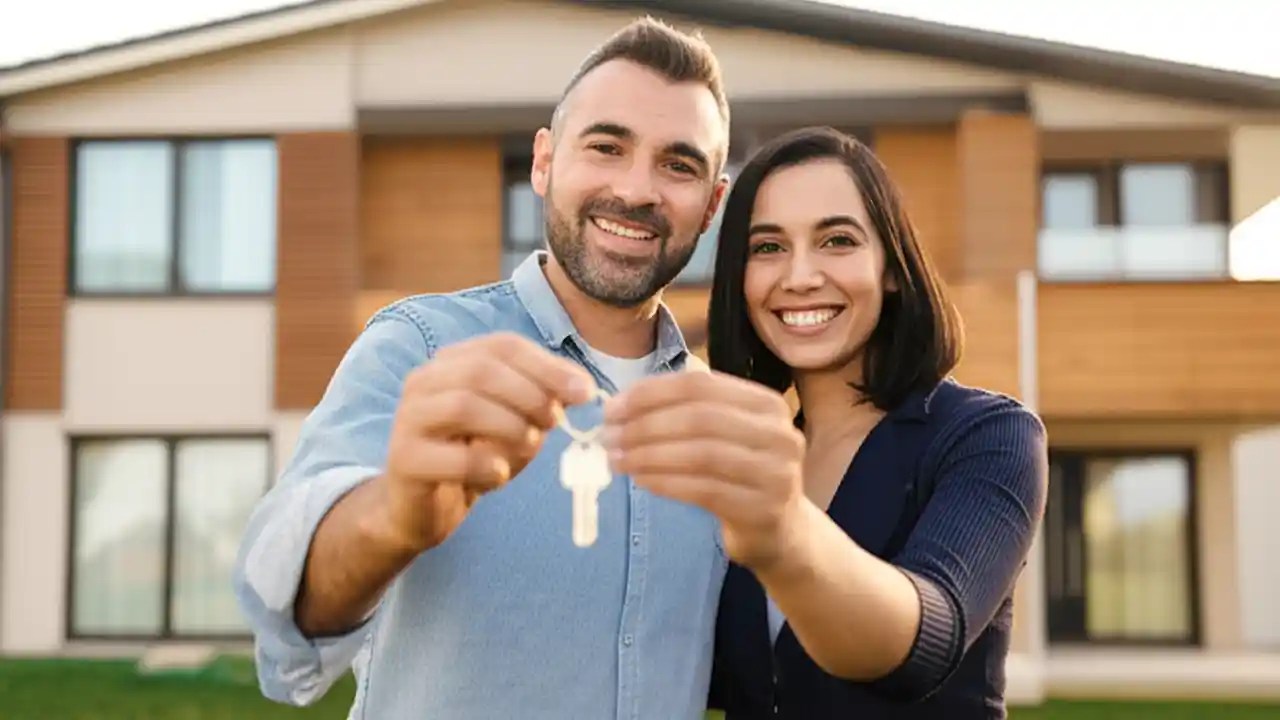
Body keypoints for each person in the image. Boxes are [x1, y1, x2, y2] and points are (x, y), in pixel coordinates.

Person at [232, 17, 734, 719]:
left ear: (711, 204)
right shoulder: (420, 346)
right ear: (544, 162)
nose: (637, 188)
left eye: (678, 165)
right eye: (606, 147)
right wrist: (396, 514)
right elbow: (283, 616)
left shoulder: (724, 428)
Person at [601, 126, 1049, 718]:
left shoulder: (986, 437)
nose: (801, 275)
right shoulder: (741, 459)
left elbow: (925, 643)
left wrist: (782, 534)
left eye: (837, 240)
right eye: (768, 248)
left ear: (892, 267)